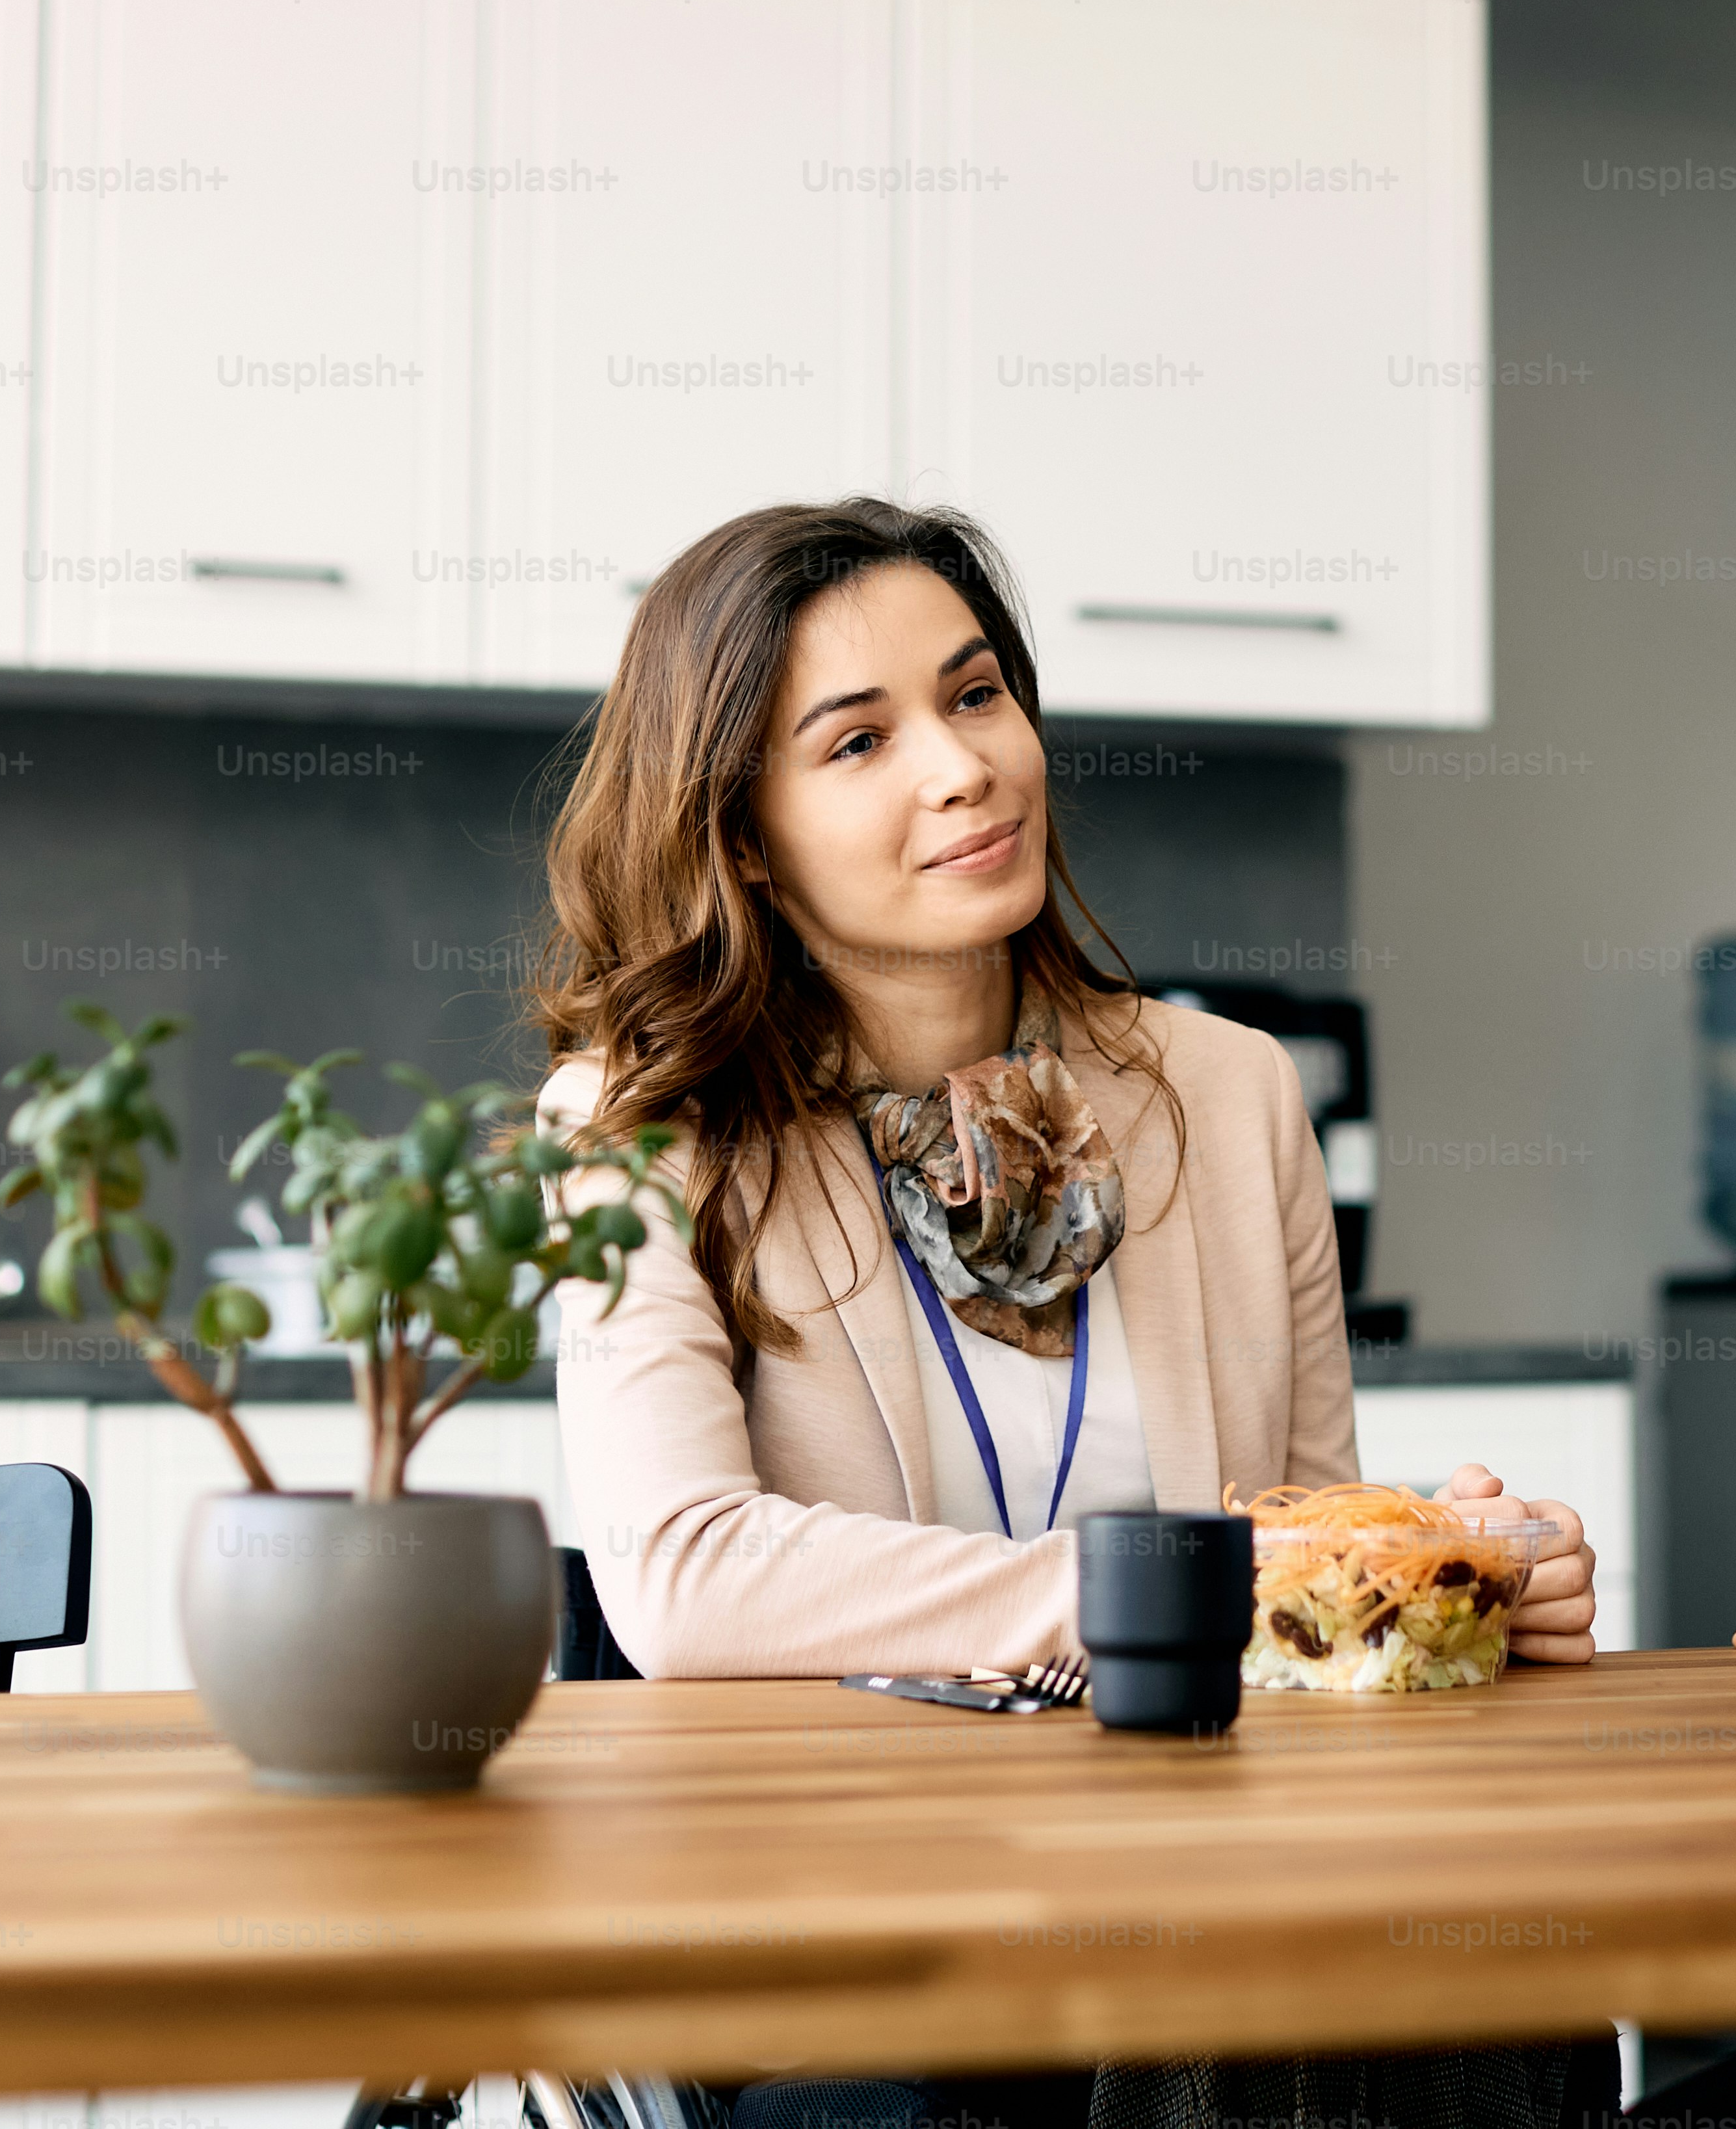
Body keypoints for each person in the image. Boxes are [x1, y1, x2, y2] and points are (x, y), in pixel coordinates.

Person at [538, 496, 1597, 1678]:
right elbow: (685, 1578)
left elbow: (1300, 1580)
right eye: (858, 741)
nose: (964, 768)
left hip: (1187, 1820)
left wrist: (1449, 1577)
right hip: (833, 1834)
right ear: (741, 840)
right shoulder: (641, 1131)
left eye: (976, 695)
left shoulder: (1235, 1093)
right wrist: (1184, 1584)